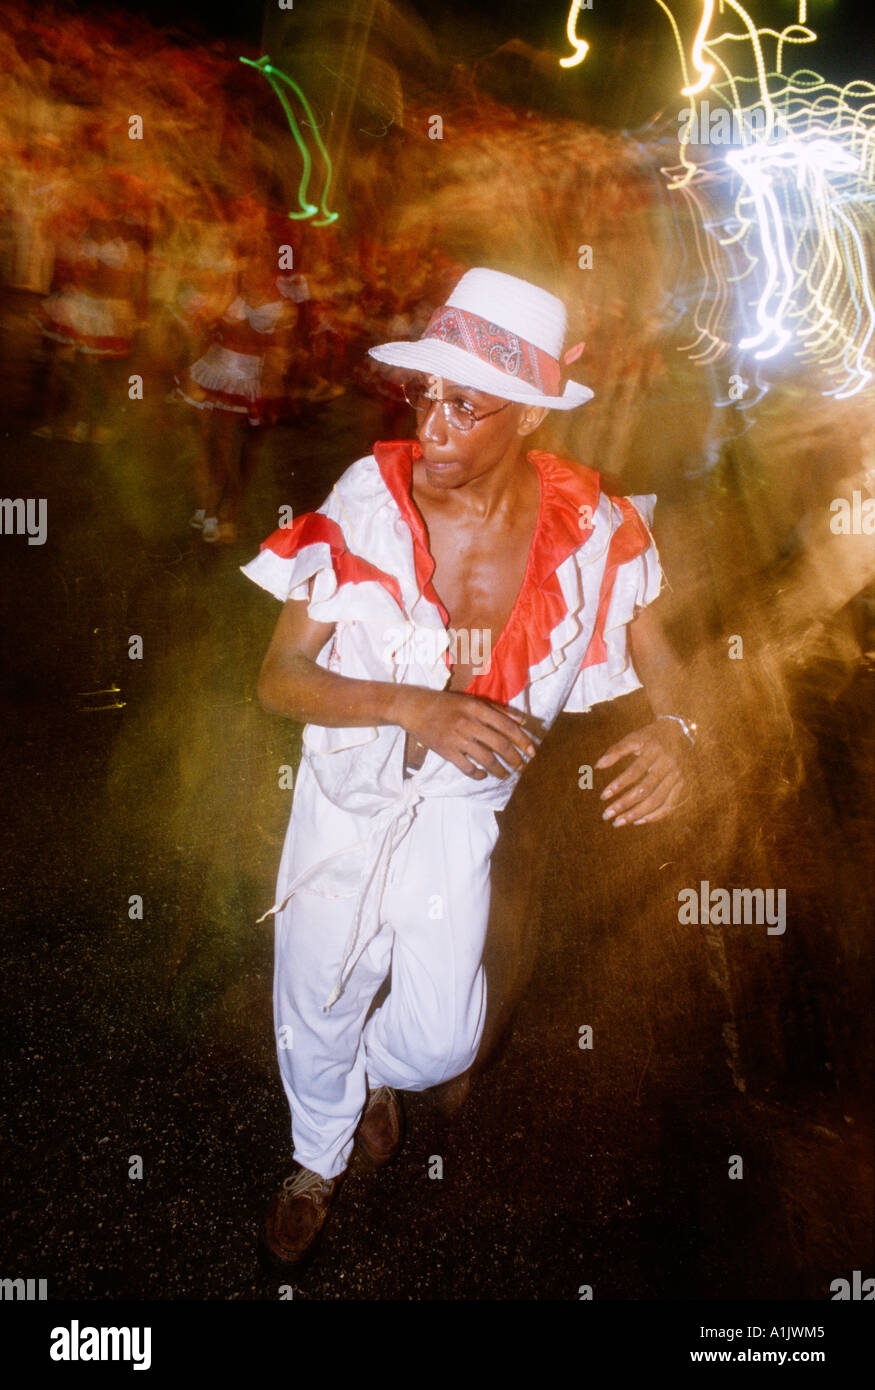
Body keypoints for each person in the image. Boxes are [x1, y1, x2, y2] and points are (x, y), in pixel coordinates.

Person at [240, 267, 695, 1271]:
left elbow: (670, 664)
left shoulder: (596, 530)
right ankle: (313, 1159)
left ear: (530, 412)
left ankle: (363, 1086)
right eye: (422, 395)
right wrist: (409, 702)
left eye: (463, 402)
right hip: (345, 797)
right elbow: (277, 678)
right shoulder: (367, 500)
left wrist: (682, 735)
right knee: (317, 987)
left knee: (441, 1040)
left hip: (462, 808)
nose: (431, 425)